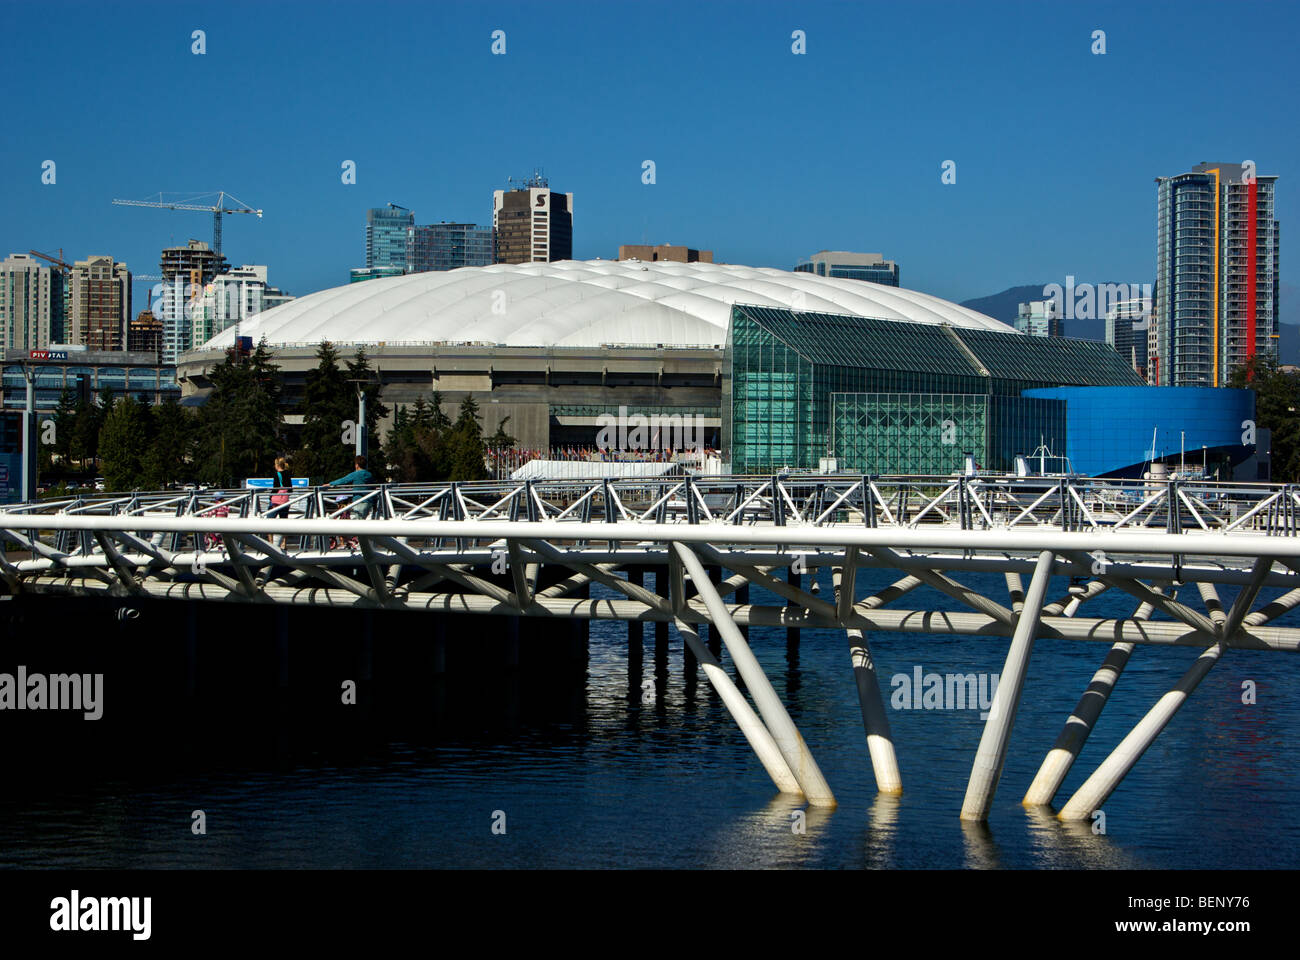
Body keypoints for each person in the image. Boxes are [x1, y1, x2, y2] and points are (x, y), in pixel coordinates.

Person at [328, 455, 375, 519]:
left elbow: (343, 480)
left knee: (358, 523)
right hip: (368, 502)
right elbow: (373, 487)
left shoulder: (355, 474)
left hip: (359, 501)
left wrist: (330, 484)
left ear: (357, 465)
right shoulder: (369, 474)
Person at [269, 456, 292, 549]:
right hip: (285, 500)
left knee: (268, 521)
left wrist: (270, 496)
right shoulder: (288, 474)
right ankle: (284, 543)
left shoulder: (277, 474)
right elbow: (290, 488)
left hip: (276, 501)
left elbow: (276, 487)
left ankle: (270, 543)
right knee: (284, 521)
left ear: (277, 465)